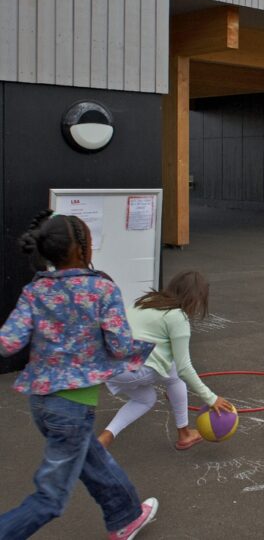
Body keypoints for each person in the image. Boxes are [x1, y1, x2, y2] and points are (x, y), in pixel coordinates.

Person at [0, 210, 159, 540]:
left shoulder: (35, 290)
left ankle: (126, 516)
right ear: (83, 249)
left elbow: (8, 342)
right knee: (50, 499)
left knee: (91, 457)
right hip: (72, 407)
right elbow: (119, 345)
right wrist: (144, 348)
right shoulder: (102, 289)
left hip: (41, 403)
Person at [100, 270, 235, 452]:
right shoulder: (177, 316)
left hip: (107, 365)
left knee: (146, 399)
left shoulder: (147, 300)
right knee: (175, 373)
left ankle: (106, 436)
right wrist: (211, 398)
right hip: (131, 367)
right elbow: (184, 367)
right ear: (194, 298)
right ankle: (184, 434)